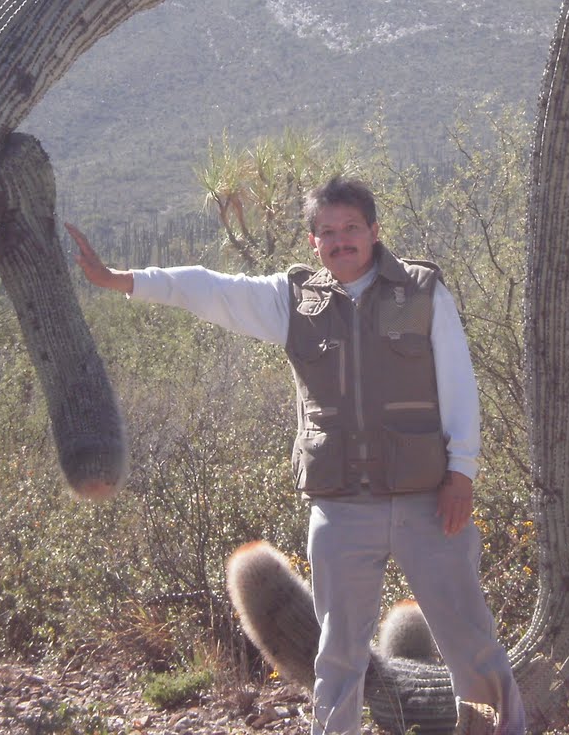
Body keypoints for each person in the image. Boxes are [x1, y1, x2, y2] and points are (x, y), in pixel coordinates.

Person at [66, 176, 525, 735]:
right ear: (313, 242)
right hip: (341, 509)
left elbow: (460, 385)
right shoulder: (294, 301)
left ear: (375, 231)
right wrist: (121, 280)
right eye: (327, 232)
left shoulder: (422, 292)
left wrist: (462, 474)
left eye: (351, 228)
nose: (340, 241)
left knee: (471, 644)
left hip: (428, 502)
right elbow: (209, 288)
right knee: (337, 657)